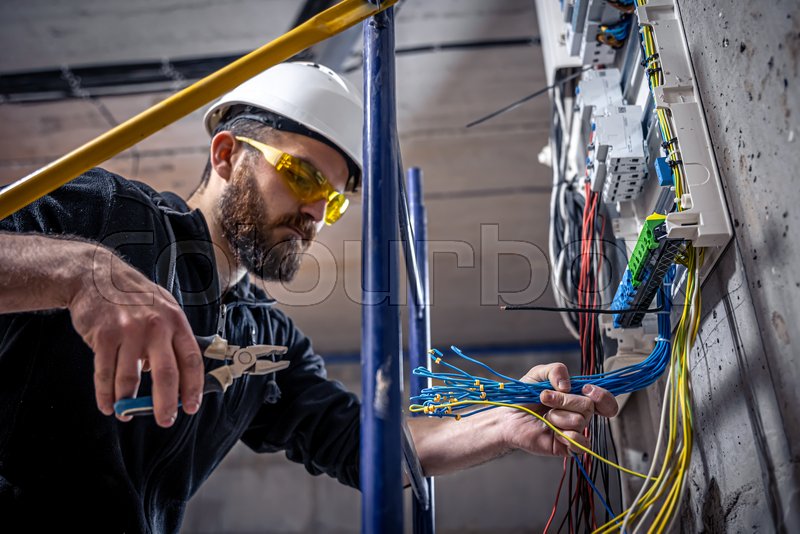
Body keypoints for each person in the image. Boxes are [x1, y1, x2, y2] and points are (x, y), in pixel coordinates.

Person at [0, 62, 617, 532]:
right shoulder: (111, 216)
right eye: (302, 176)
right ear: (226, 156)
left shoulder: (267, 342)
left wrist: (504, 425)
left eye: (336, 200)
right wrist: (80, 271)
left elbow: (361, 445)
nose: (316, 215)